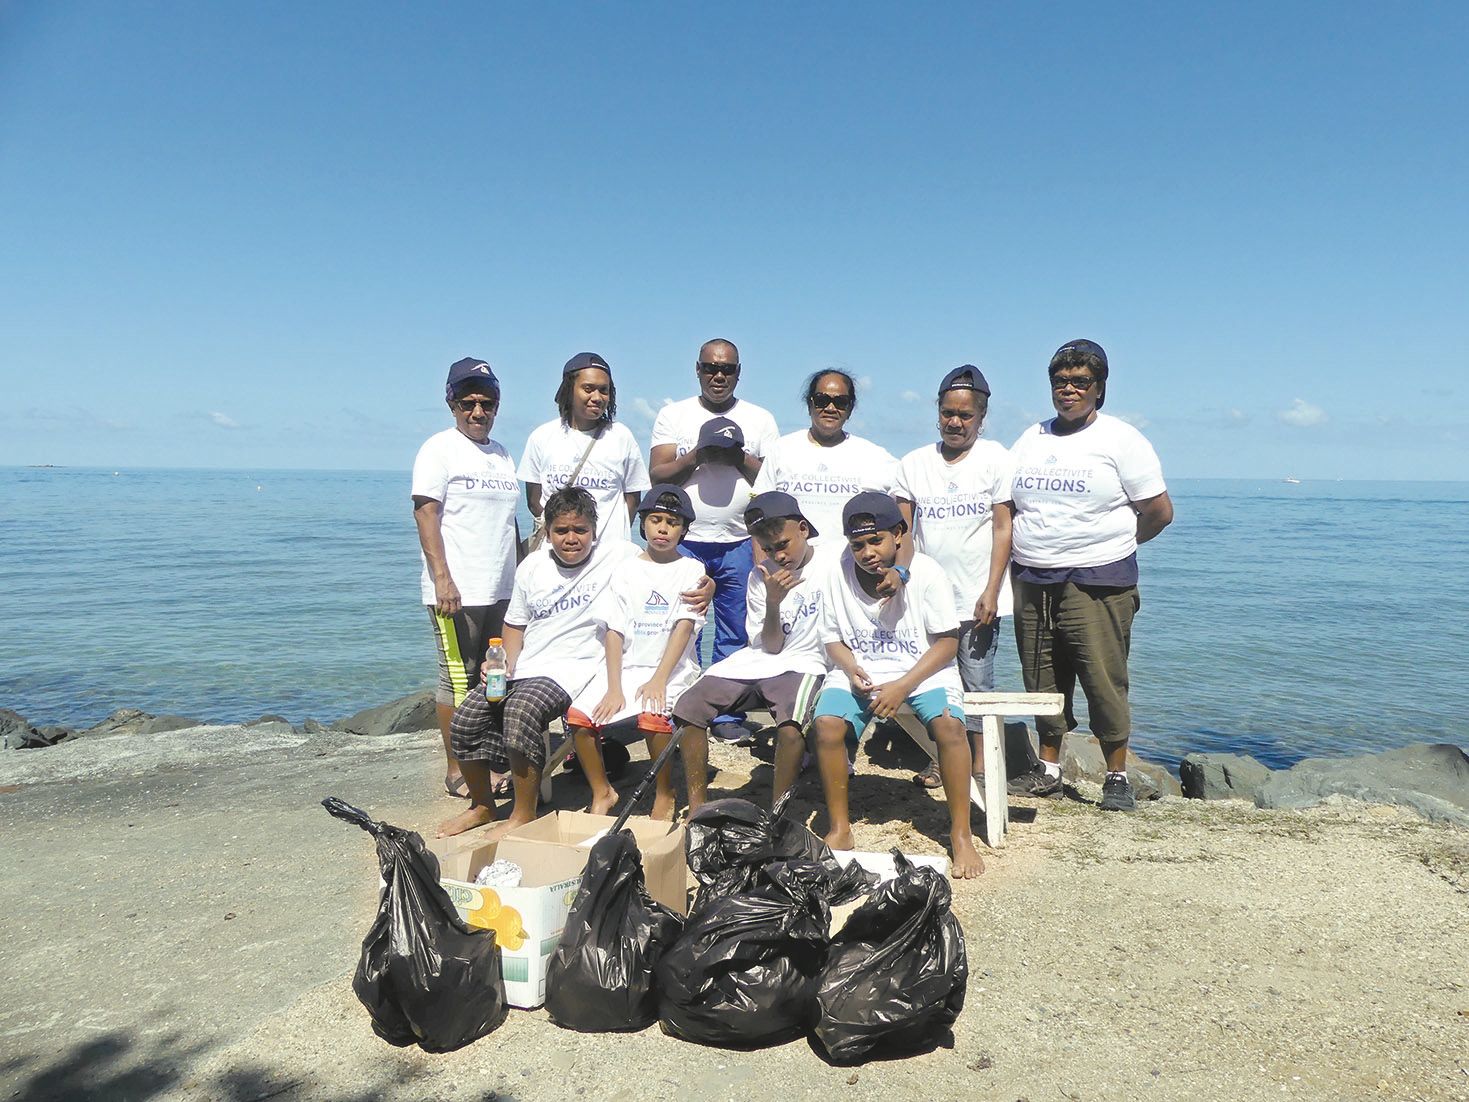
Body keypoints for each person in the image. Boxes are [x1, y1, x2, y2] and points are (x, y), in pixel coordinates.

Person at [998, 339, 1173, 812]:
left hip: (1098, 582)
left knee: (1103, 679)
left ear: (1099, 388)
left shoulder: (1122, 440)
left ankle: (1116, 776)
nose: (1069, 390)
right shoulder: (1031, 438)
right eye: (1061, 381)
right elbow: (1007, 505)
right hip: (1033, 578)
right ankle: (1049, 769)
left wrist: (1113, 547)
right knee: (1042, 679)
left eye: (1080, 382)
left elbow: (1158, 512)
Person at [798, 491, 985, 879]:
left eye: (876, 540)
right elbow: (832, 639)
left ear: (898, 535)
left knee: (950, 726)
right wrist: (850, 667)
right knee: (827, 724)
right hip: (861, 669)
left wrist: (902, 685)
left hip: (923, 670)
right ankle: (840, 826)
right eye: (858, 545)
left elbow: (947, 644)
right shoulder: (835, 573)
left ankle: (961, 833)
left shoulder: (927, 573)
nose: (868, 553)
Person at [435, 487, 622, 839]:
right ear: (547, 532)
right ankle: (482, 805)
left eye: (580, 530)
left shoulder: (615, 556)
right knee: (467, 716)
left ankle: (524, 813)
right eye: (561, 530)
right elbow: (515, 624)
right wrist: (502, 663)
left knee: (521, 710)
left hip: (576, 669)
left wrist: (703, 587)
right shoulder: (533, 566)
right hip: (528, 665)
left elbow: (663, 564)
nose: (571, 538)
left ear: (594, 531)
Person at [649, 338, 781, 743]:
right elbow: (658, 474)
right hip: (684, 541)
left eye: (726, 369)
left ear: (738, 373)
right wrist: (698, 455)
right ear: (698, 370)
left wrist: (738, 457)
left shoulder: (760, 419)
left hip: (740, 539)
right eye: (710, 368)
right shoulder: (674, 414)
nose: (718, 375)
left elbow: (774, 479)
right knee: (675, 625)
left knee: (735, 629)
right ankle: (676, 706)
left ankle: (725, 713)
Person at [894, 364, 1013, 789]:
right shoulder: (913, 464)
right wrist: (900, 577)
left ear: (981, 417)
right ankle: (939, 757)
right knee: (935, 680)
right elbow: (903, 533)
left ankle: (980, 764)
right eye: (948, 413)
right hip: (928, 598)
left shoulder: (996, 459)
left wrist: (992, 590)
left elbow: (1003, 528)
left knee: (977, 680)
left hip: (979, 597)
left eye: (965, 415)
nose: (955, 422)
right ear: (938, 412)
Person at [673, 491, 830, 802]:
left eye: (783, 544)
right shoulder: (761, 576)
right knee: (688, 707)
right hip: (760, 659)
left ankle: (776, 812)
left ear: (803, 528)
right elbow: (770, 645)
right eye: (768, 548)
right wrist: (773, 602)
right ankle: (697, 805)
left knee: (790, 727)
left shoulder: (833, 562)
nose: (778, 556)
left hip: (806, 661)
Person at [411, 357, 521, 800]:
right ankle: (457, 768)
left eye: (487, 403)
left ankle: (488, 758)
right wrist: (443, 579)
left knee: (495, 676)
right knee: (458, 678)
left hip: (502, 588)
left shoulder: (503, 454)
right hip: (457, 589)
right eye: (468, 402)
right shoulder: (438, 449)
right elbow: (426, 514)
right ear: (451, 403)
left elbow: (508, 523)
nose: (478, 412)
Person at [568, 485, 709, 821]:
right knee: (579, 717)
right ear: (642, 523)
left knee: (652, 717)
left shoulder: (691, 569)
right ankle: (602, 791)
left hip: (672, 668)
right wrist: (614, 687)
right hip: (627, 667)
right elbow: (613, 631)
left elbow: (684, 627)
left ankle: (664, 791)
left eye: (672, 523)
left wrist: (659, 679)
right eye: (655, 520)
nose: (663, 529)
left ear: (684, 529)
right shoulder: (625, 570)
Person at [751, 369, 899, 548]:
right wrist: (763, 563)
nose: (830, 408)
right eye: (822, 400)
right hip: (792, 564)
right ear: (810, 404)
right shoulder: (781, 450)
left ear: (850, 409)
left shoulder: (875, 456)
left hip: (850, 563)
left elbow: (905, 501)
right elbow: (758, 516)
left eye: (840, 402)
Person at [519, 352, 651, 546]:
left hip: (609, 554)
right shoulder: (542, 436)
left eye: (604, 390)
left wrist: (614, 538)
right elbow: (534, 501)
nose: (597, 397)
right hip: (557, 553)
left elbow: (632, 499)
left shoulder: (621, 437)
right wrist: (563, 535)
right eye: (588, 389)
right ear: (569, 389)